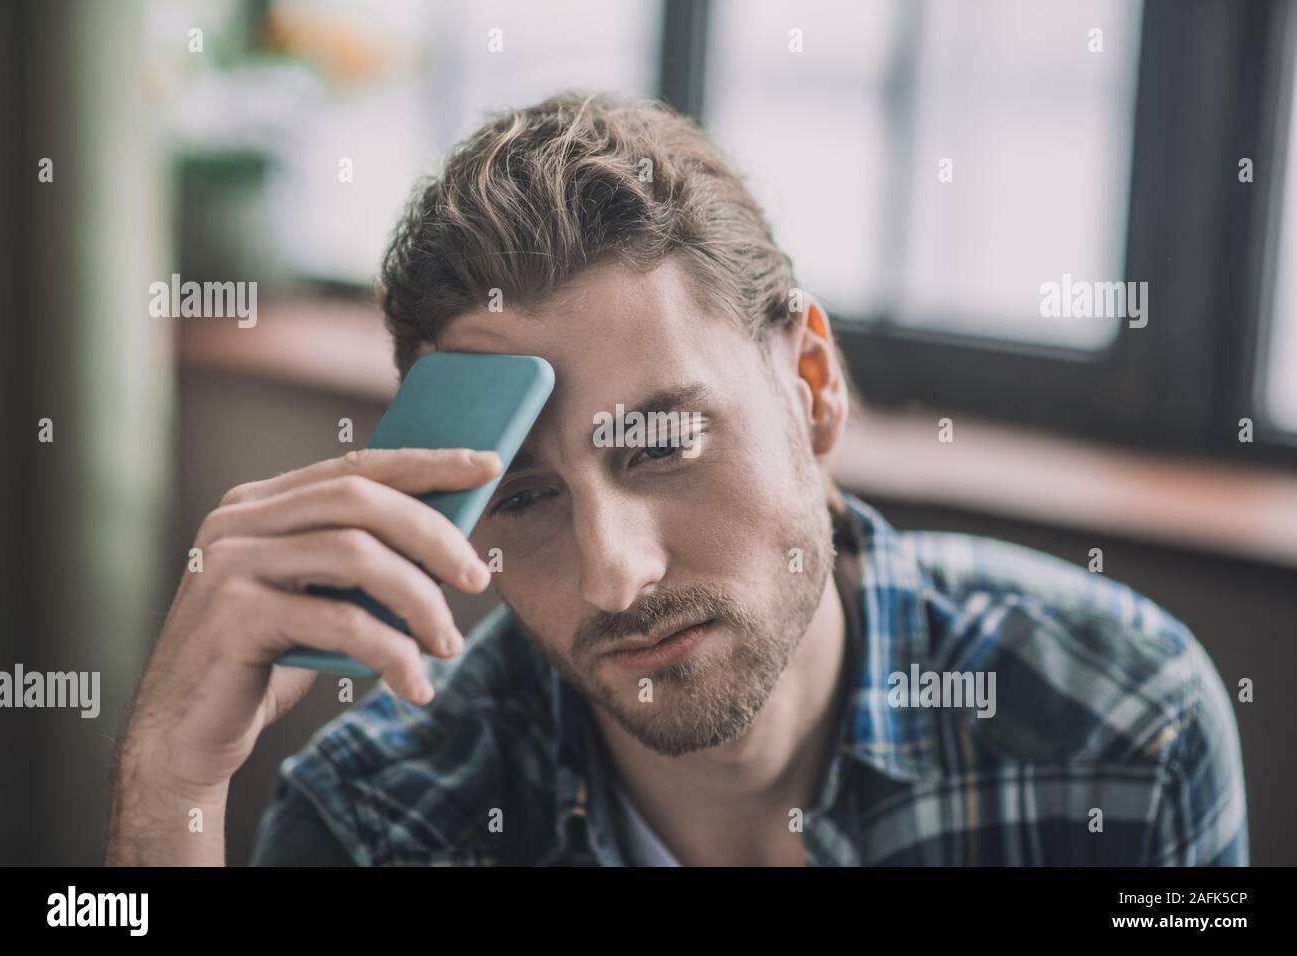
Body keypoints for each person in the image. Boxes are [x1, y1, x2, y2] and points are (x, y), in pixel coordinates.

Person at [105, 92, 1248, 867]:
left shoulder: (1116, 728)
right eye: (525, 494)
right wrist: (168, 795)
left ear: (810, 383)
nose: (615, 575)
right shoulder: (386, 824)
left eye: (659, 441)